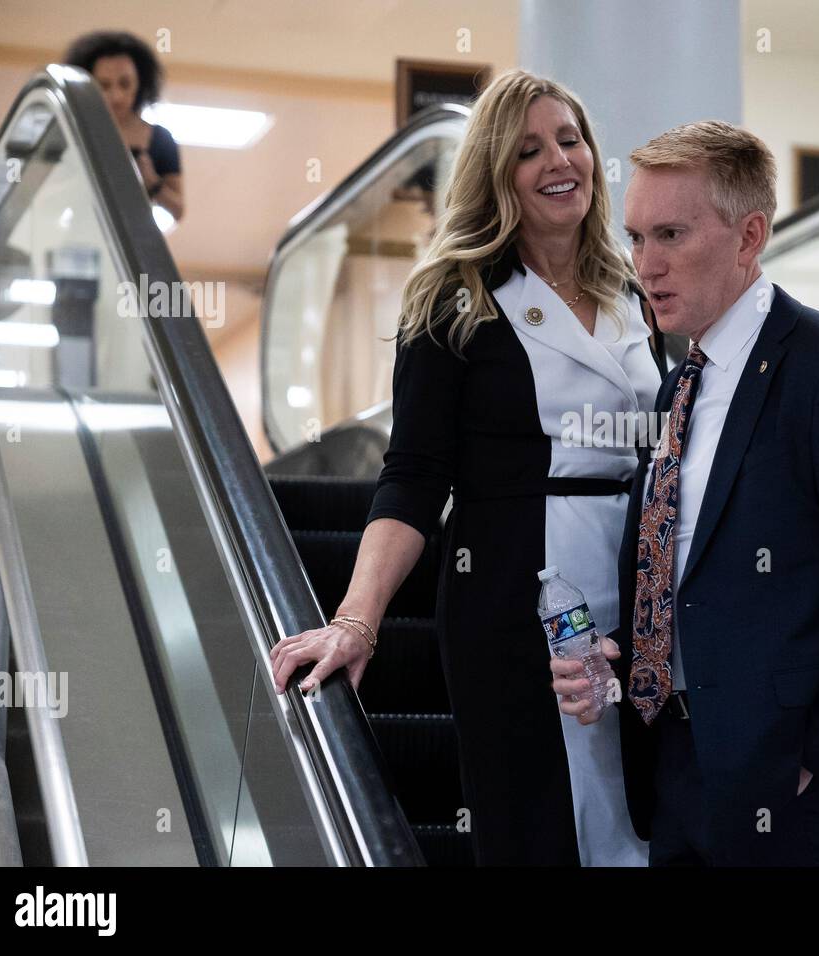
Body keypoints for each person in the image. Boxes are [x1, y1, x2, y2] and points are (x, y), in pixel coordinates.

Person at [271, 70, 664, 867]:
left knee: (645, 815)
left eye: (570, 139)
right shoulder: (455, 300)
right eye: (527, 150)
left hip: (643, 583)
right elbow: (413, 477)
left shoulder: (637, 288)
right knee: (540, 821)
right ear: (494, 172)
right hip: (512, 592)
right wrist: (357, 618)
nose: (560, 161)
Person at [551, 121, 819, 866]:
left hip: (787, 786)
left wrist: (816, 748)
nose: (647, 264)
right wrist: (618, 669)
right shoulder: (677, 388)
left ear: (750, 236)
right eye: (637, 238)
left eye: (672, 234)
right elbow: (693, 583)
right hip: (674, 769)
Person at [65, 30, 184, 221]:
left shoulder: (160, 139)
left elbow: (178, 210)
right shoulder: (71, 132)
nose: (116, 96)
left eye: (125, 83)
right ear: (88, 86)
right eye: (104, 85)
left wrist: (152, 182)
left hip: (133, 236)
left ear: (141, 84)